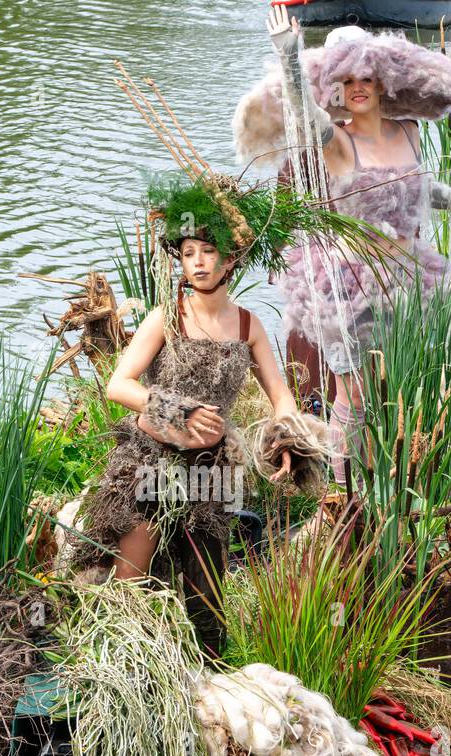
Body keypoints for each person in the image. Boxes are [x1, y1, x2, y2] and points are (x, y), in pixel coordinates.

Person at [235, 11, 451, 482]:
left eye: (367, 78)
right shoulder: (337, 141)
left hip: (410, 280)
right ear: (334, 85)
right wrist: (289, 56)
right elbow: (306, 118)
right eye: (346, 79)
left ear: (383, 81)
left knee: (402, 385)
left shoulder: (409, 132)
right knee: (352, 395)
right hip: (347, 285)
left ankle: (396, 485)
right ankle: (341, 498)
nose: (357, 87)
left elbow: (424, 192)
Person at [65, 174, 306, 656]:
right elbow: (119, 385)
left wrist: (285, 438)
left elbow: (281, 395)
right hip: (150, 459)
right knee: (128, 581)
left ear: (231, 259)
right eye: (189, 252)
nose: (197, 262)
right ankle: (119, 668)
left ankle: (196, 674)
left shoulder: (247, 324)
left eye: (208, 252)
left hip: (210, 472)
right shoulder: (166, 317)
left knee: (205, 601)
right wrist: (177, 409)